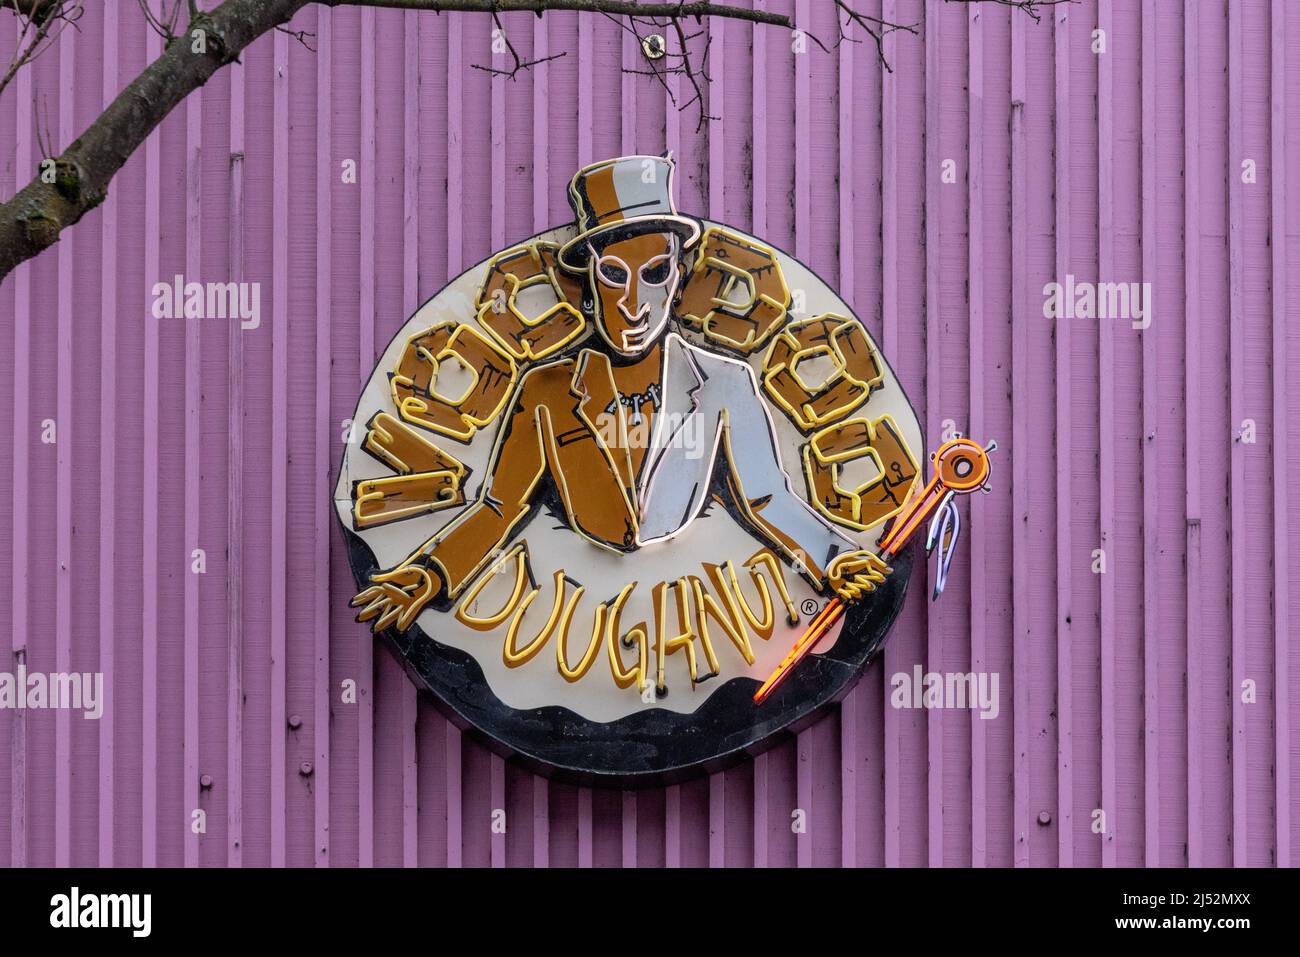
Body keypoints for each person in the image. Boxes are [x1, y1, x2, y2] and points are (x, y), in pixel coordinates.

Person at [354, 155, 884, 635]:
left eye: (654, 274)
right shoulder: (545, 389)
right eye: (614, 275)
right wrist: (430, 574)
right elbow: (499, 507)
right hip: (569, 607)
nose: (633, 303)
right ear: (590, 282)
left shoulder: (725, 381)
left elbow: (766, 495)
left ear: (679, 280)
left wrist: (831, 557)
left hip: (690, 612)